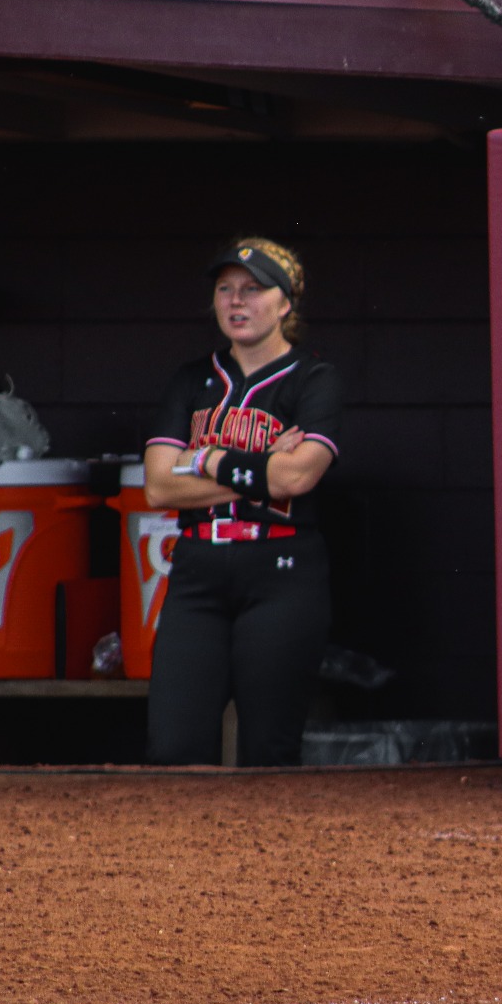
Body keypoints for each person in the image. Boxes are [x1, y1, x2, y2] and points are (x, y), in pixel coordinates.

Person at [141, 239, 341, 767]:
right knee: (175, 747)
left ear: (285, 302)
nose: (236, 300)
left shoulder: (313, 378)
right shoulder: (192, 379)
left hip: (281, 568)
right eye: (225, 289)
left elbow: (297, 476)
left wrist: (207, 459)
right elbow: (159, 486)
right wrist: (260, 470)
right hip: (197, 567)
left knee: (269, 749)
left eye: (253, 289)